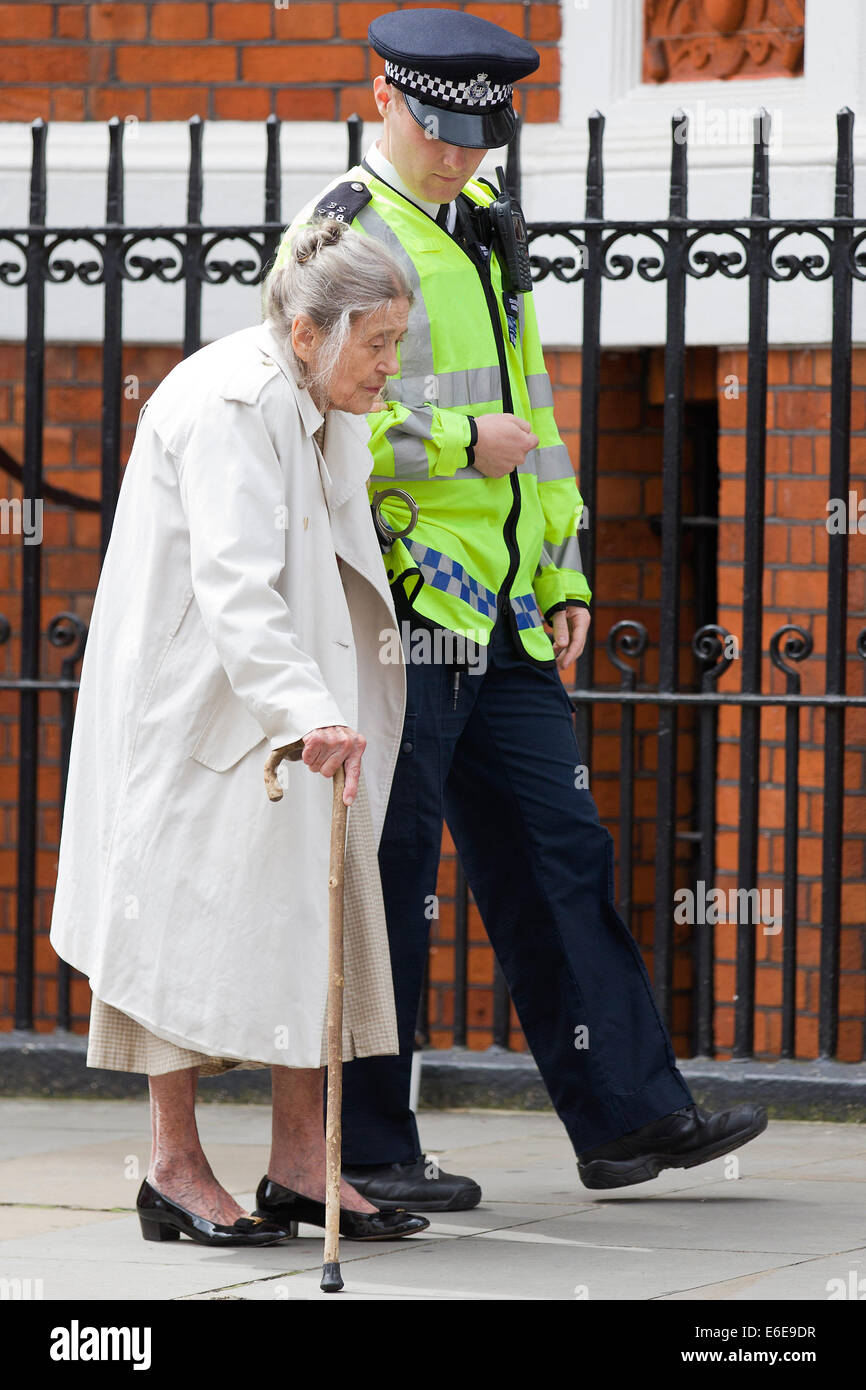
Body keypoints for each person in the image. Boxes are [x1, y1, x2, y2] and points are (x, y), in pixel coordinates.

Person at [267, 7, 768, 1215]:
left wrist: (564, 568)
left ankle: (630, 1112)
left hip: (502, 607)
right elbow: (306, 396)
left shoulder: (482, 225)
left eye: (480, 134)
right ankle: (373, 1147)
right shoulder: (338, 230)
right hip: (400, 601)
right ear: (382, 93)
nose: (461, 154)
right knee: (390, 871)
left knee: (559, 848)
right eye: (441, 131)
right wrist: (453, 441)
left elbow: (533, 410)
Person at [49, 219, 430, 1247]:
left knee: (312, 918)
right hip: (195, 714)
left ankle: (302, 1165)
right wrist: (305, 708)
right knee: (174, 931)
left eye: (396, 343)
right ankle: (171, 1171)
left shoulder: (313, 396)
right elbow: (234, 583)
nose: (390, 367)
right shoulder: (232, 401)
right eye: (376, 343)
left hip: (289, 711)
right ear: (306, 332)